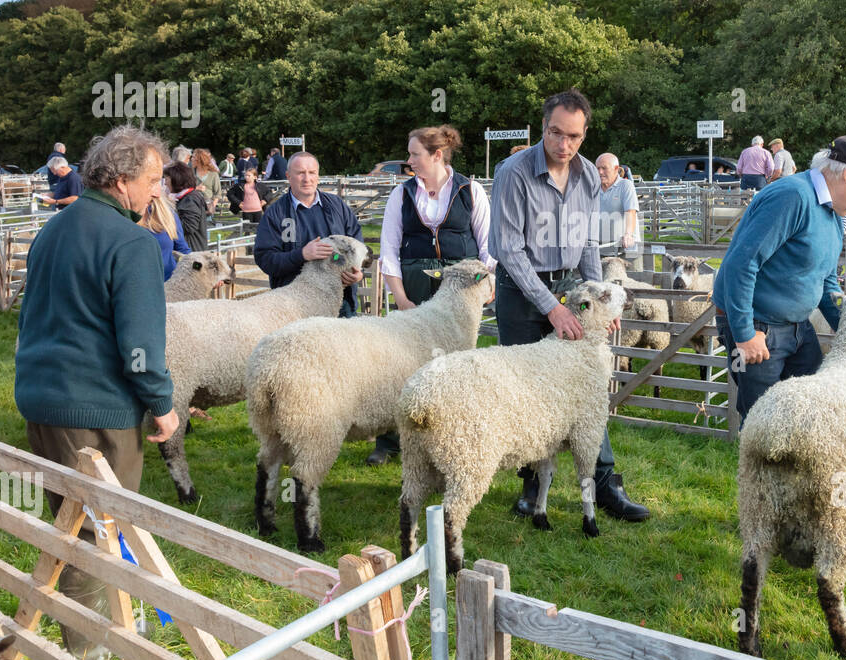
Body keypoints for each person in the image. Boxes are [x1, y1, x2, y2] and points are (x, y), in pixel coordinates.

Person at [14, 125, 179, 660]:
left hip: (43, 400)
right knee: (102, 527)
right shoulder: (131, 242)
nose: (158, 191)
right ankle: (98, 645)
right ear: (123, 178)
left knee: (70, 520)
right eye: (153, 180)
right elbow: (140, 344)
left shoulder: (53, 230)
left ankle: (93, 636)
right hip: (97, 408)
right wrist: (162, 404)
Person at [490, 89, 649, 522]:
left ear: (584, 134)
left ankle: (605, 485)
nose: (565, 145)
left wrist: (599, 304)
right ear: (544, 127)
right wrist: (551, 308)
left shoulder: (586, 177)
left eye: (574, 136)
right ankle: (530, 486)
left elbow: (587, 243)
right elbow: (510, 249)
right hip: (521, 289)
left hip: (571, 288)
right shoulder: (514, 173)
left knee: (588, 386)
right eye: (556, 133)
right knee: (527, 389)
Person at [713, 133, 846, 421]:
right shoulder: (791, 196)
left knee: (811, 416)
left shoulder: (833, 212)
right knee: (763, 424)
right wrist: (744, 334)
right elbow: (740, 264)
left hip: (798, 328)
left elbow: (827, 279)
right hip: (758, 328)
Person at [369, 125, 494, 465]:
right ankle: (390, 438)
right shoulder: (403, 194)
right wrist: (400, 297)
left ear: (437, 155)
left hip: (459, 292)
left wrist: (485, 285)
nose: (409, 162)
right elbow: (389, 250)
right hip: (414, 285)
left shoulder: (471, 190)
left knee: (454, 362)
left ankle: (448, 437)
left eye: (415, 155)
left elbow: (488, 247)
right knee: (402, 362)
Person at [253, 151, 365, 316]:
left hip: (340, 305)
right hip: (293, 308)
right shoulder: (275, 213)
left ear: (318, 175)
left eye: (312, 172)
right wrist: (302, 254)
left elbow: (356, 246)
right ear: (288, 176)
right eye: (300, 173)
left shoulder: (337, 206)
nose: (307, 179)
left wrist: (357, 272)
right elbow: (265, 258)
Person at [596, 152, 642, 269]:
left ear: (616, 169)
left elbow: (630, 211)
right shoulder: (594, 188)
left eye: (604, 168)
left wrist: (628, 234)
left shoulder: (625, 185)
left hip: (626, 245)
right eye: (598, 168)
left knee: (632, 281)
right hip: (604, 245)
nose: (600, 172)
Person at [139, 193, 190, 280]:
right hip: (137, 287)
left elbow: (182, 249)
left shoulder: (166, 214)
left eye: (155, 182)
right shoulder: (119, 218)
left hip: (168, 285)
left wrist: (204, 272)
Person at [166, 161, 209, 252]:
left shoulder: (190, 199)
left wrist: (165, 220)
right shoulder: (186, 197)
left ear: (176, 179)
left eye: (167, 179)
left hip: (192, 252)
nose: (165, 183)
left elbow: (188, 227)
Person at [192, 148, 222, 213]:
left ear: (200, 159)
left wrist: (212, 207)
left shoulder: (213, 174)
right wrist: (196, 188)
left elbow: (218, 193)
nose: (191, 159)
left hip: (207, 208)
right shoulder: (190, 173)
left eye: (194, 157)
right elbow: (184, 189)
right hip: (192, 207)